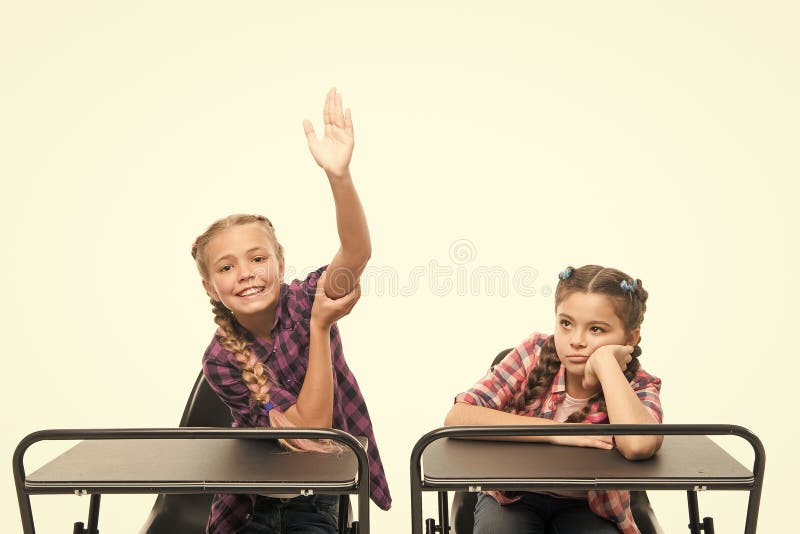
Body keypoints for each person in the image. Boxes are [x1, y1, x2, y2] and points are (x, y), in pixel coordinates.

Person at [191, 88, 391, 533]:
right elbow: (304, 433)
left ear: (280, 264)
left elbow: (356, 252)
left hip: (317, 497)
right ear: (210, 285)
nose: (246, 273)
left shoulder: (305, 301)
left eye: (258, 259)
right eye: (228, 266)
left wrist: (339, 176)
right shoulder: (221, 359)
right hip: (250, 502)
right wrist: (324, 325)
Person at [445, 265, 662, 534]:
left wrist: (606, 365)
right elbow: (458, 417)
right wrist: (556, 433)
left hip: (589, 505)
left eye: (596, 329)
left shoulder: (638, 383)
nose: (577, 341)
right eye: (566, 324)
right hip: (514, 496)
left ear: (631, 337)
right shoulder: (533, 353)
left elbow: (639, 446)